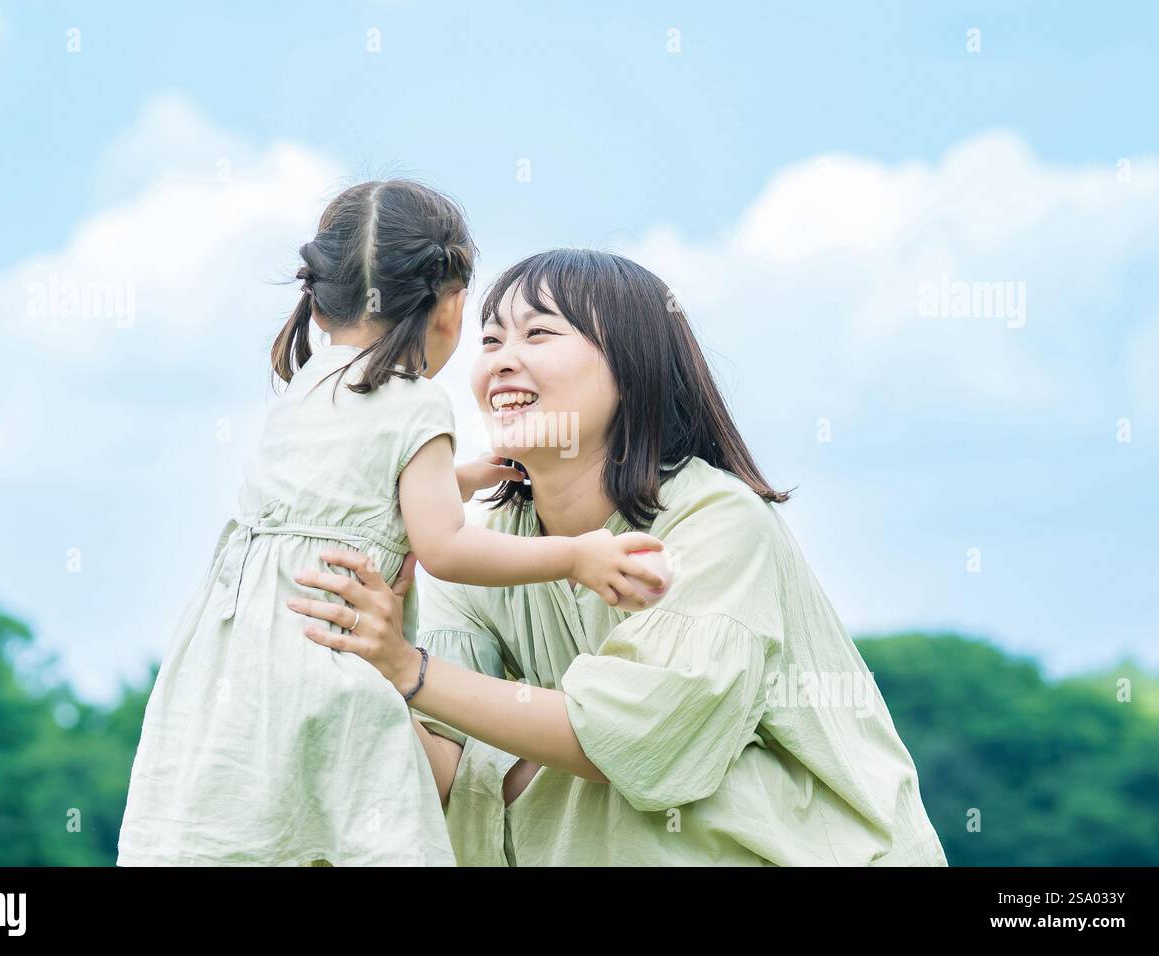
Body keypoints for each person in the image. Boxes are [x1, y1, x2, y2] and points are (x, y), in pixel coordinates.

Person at [289, 248, 950, 866]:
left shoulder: (716, 523)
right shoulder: (480, 547)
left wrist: (412, 671)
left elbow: (641, 744)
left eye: (538, 334)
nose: (502, 361)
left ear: (632, 367)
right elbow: (443, 770)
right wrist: (363, 654)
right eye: (490, 340)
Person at [117, 186, 664, 867]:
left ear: (319, 299)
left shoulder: (304, 389)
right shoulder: (414, 403)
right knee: (369, 832)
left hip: (238, 651)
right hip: (328, 651)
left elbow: (351, 494)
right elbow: (447, 547)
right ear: (452, 308)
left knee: (243, 829)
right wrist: (576, 556)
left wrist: (461, 476)